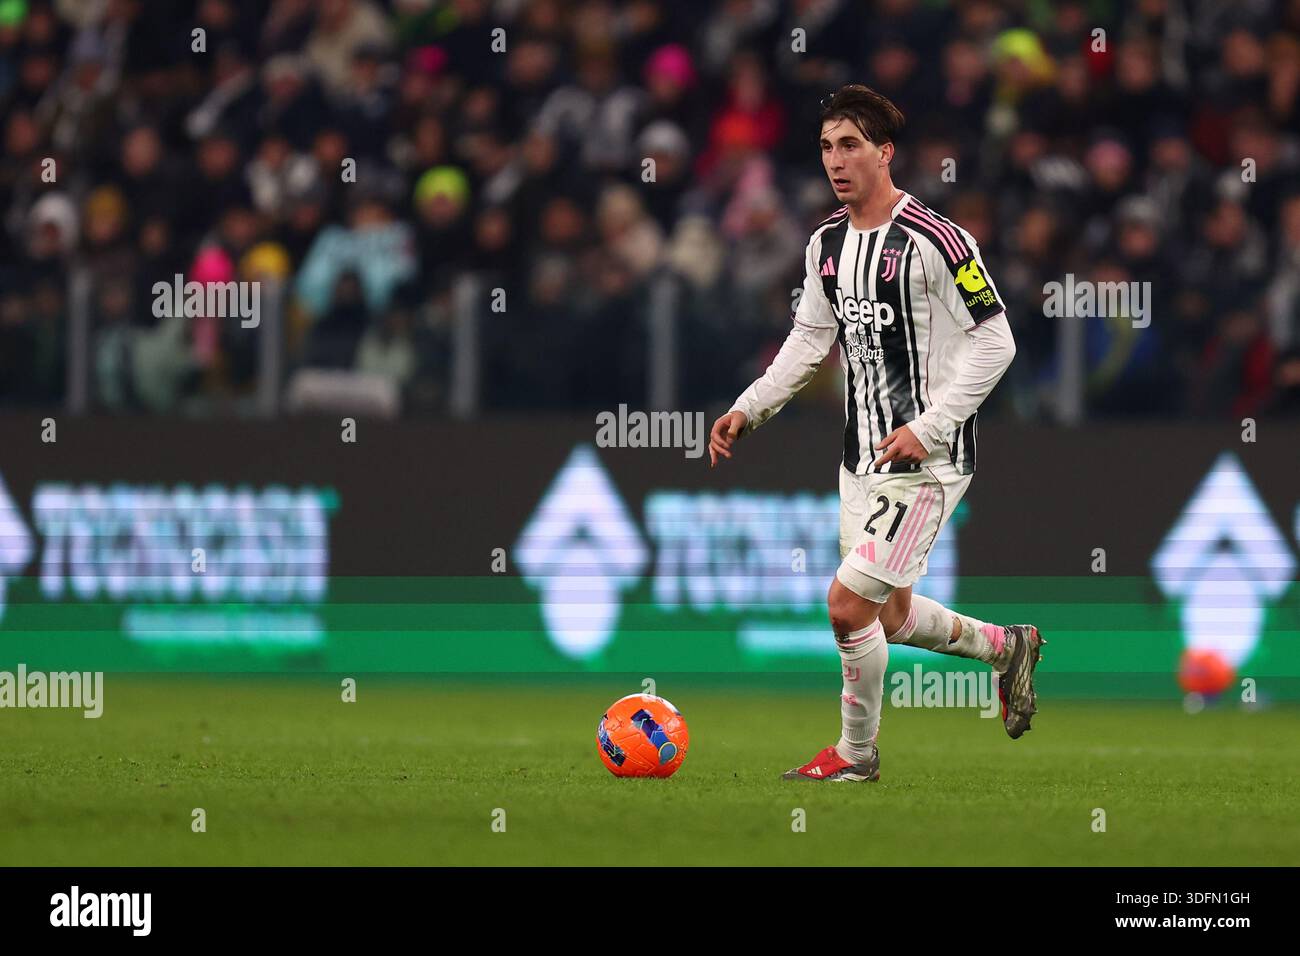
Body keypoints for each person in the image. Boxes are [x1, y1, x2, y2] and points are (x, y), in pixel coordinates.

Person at [709, 85, 1044, 783]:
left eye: (851, 145)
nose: (837, 159)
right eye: (828, 146)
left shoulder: (938, 240)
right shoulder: (827, 243)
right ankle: (1006, 648)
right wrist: (751, 405)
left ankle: (856, 757)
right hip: (860, 458)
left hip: (930, 458)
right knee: (885, 616)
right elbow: (809, 338)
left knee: (845, 604)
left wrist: (929, 426)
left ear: (885, 153)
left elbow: (997, 341)